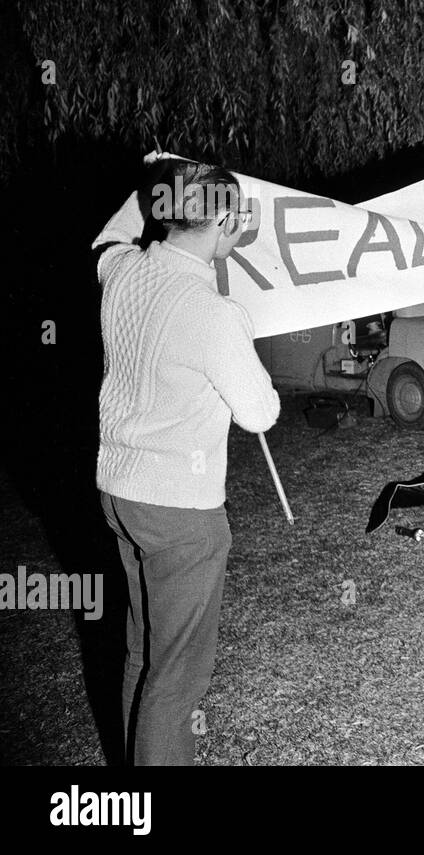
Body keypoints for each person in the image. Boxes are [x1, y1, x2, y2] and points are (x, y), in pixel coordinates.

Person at [96, 159, 281, 765]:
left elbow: (107, 238)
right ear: (223, 219)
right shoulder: (214, 313)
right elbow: (260, 413)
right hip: (181, 514)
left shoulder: (122, 272)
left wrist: (149, 181)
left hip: (120, 493)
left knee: (143, 654)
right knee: (175, 680)